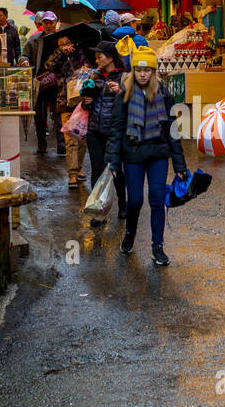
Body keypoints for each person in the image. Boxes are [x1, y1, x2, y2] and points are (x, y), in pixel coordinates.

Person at [106, 46, 189, 266]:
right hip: (132, 154)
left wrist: (180, 164)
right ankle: (130, 233)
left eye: (147, 70)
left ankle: (157, 247)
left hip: (158, 154)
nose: (143, 74)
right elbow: (116, 130)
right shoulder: (124, 96)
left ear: (153, 72)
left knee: (156, 199)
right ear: (133, 71)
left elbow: (173, 131)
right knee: (135, 200)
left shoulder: (164, 95)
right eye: (139, 70)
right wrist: (113, 161)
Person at [82, 41, 127, 225]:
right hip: (95, 129)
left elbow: (130, 102)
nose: (97, 59)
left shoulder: (124, 77)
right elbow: (86, 105)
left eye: (100, 56)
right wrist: (86, 100)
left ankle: (123, 204)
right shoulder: (94, 75)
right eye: (96, 56)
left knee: (116, 170)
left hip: (114, 131)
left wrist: (121, 93)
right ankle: (97, 210)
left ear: (110, 57)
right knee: (97, 170)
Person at [43, 31, 90, 187]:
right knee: (71, 140)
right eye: (62, 45)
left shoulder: (81, 54)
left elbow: (88, 67)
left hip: (81, 101)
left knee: (82, 139)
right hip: (64, 102)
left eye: (67, 43)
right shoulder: (57, 58)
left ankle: (79, 168)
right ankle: (72, 174)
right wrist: (60, 53)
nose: (66, 47)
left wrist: (78, 58)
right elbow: (48, 66)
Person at [24, 11, 60, 154]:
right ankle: (42, 145)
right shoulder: (34, 40)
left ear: (55, 22)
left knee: (58, 114)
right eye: (46, 22)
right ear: (42, 23)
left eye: (51, 22)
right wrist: (24, 60)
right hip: (39, 82)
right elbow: (24, 54)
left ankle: (61, 144)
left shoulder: (61, 39)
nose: (49, 25)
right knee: (40, 115)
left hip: (58, 83)